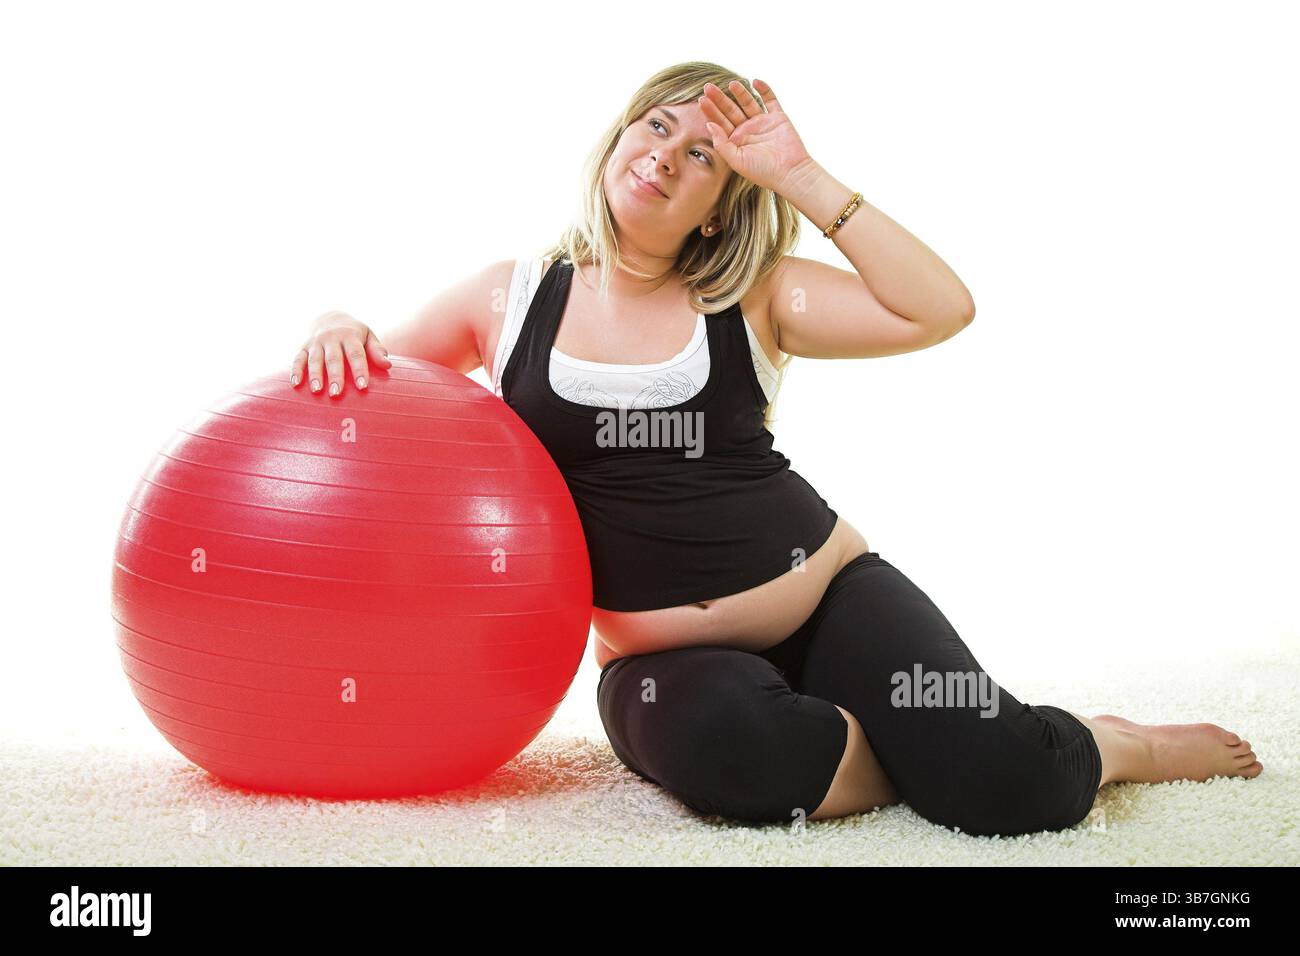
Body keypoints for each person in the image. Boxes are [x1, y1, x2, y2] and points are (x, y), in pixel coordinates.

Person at [287, 61, 1262, 836]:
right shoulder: (507, 298)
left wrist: (801, 176)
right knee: (737, 756)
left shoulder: (755, 292)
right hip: (657, 661)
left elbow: (939, 308)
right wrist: (336, 315)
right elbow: (377, 402)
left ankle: (1106, 743)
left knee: (1009, 787)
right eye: (658, 125)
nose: (668, 154)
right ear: (620, 136)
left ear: (720, 199)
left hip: (831, 595)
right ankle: (939, 746)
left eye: (704, 153)